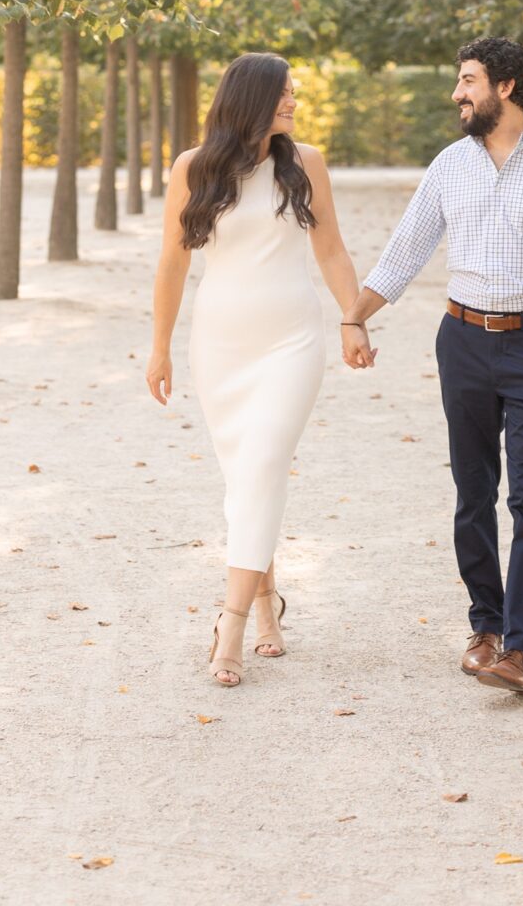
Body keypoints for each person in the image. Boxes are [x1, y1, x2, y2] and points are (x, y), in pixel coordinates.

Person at [341, 36, 523, 696]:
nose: (457, 93)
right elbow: (403, 254)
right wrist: (354, 316)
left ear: (504, 88)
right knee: (472, 495)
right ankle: (484, 628)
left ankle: (522, 650)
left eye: (468, 80)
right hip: (461, 342)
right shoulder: (448, 167)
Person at [146, 51, 370, 687]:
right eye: (283, 95)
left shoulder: (305, 164)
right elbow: (171, 262)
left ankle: (232, 622)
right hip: (219, 346)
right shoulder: (194, 168)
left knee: (264, 461)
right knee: (247, 478)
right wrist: (159, 346)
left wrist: (352, 318)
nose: (293, 104)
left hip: (292, 342)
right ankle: (269, 604)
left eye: (294, 94)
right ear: (249, 100)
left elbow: (330, 249)